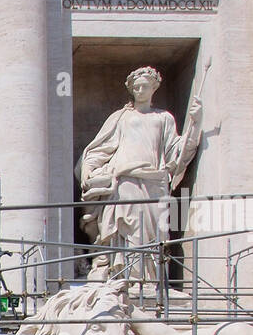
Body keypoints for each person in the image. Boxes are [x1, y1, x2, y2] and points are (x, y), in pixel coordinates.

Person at [77, 66, 201, 282]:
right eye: (136, 87)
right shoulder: (121, 117)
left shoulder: (164, 118)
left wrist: (196, 122)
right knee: (127, 225)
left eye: (144, 86)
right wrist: (89, 169)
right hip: (125, 178)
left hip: (154, 181)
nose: (140, 90)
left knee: (154, 231)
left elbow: (178, 152)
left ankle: (150, 280)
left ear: (154, 88)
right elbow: (100, 148)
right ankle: (125, 276)